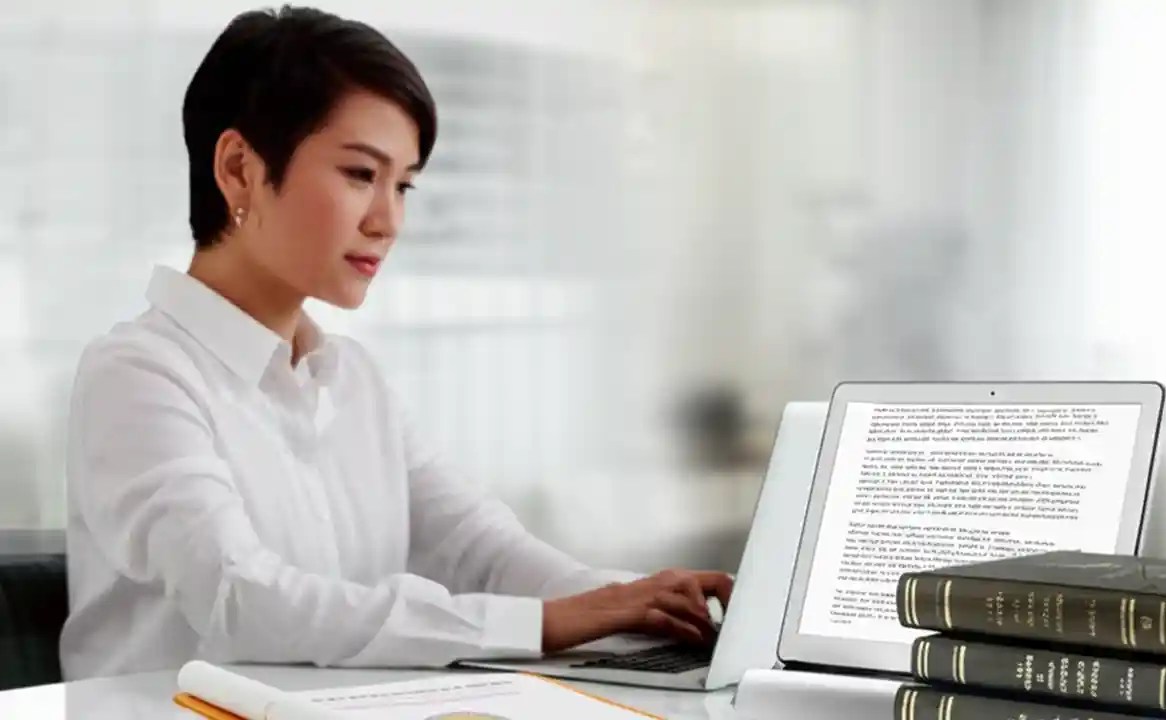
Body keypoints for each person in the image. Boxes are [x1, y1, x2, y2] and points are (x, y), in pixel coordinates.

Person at [59, 6, 732, 680]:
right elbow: (241, 599)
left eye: (403, 185)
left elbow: (483, 552)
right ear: (238, 168)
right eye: (360, 174)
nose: (388, 221)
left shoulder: (351, 380)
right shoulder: (138, 374)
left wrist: (640, 603)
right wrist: (552, 623)